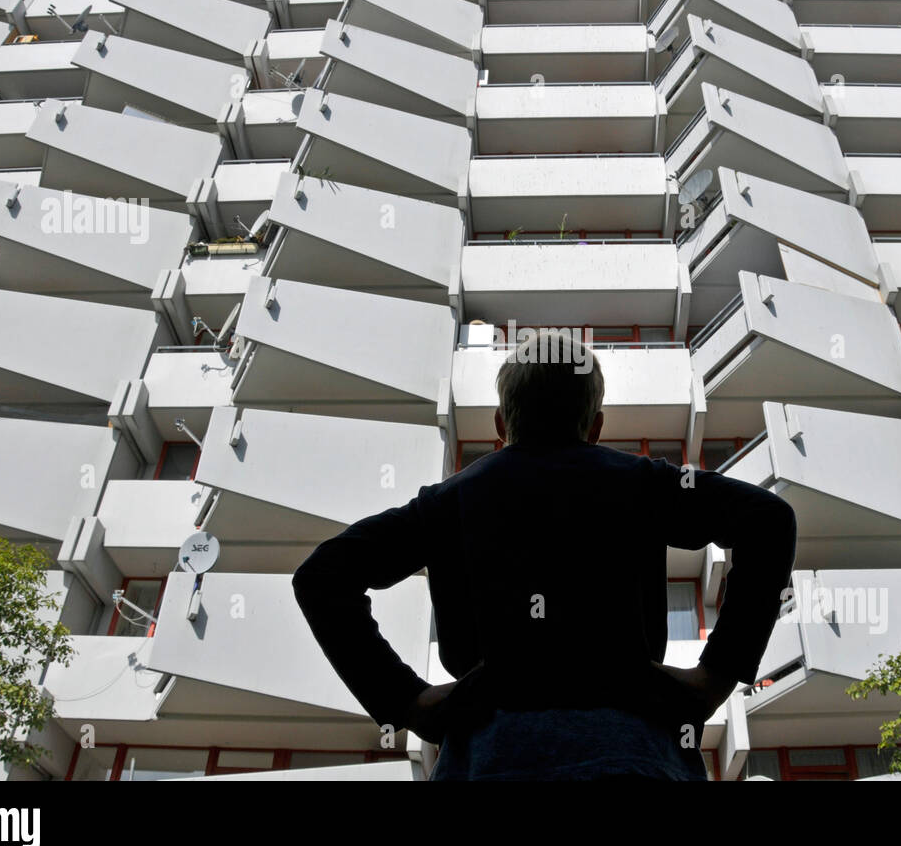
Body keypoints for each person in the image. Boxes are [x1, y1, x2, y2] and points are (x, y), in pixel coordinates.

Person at [292, 328, 797, 780]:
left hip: (489, 753)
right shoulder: (643, 485)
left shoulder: (452, 502)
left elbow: (322, 576)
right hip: (636, 750)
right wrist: (715, 676)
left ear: (499, 423)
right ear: (595, 425)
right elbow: (769, 519)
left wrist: (408, 701)